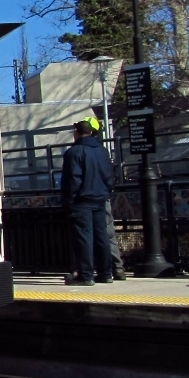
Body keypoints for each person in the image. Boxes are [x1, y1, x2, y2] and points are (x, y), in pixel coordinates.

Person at [61, 116, 115, 285]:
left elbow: (73, 179)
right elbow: (108, 175)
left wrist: (68, 200)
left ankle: (85, 275)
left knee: (83, 238)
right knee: (101, 236)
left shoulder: (74, 152)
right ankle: (106, 273)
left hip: (81, 201)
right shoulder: (102, 150)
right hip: (100, 198)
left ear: (77, 132)